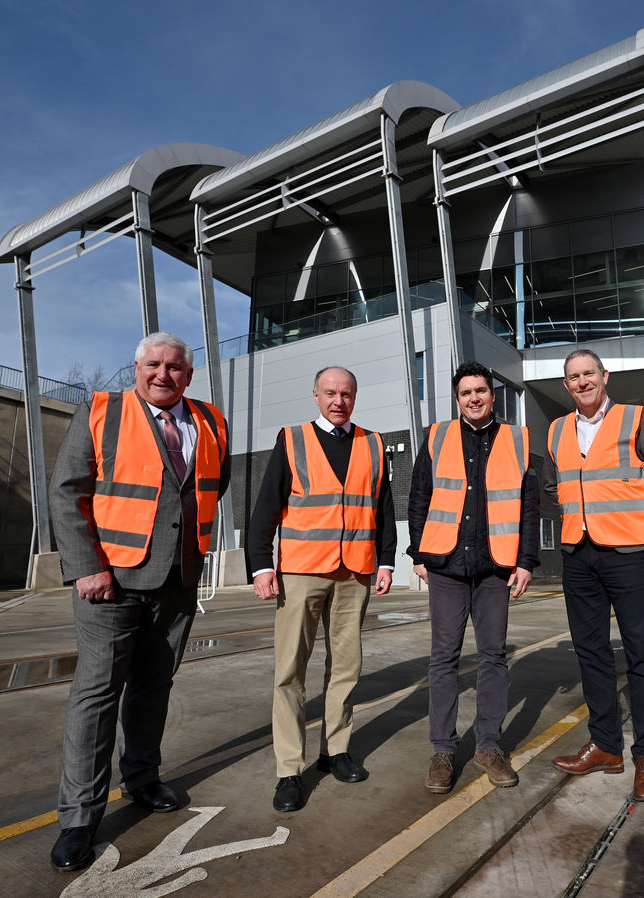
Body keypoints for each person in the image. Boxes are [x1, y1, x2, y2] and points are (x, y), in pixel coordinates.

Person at [47, 331, 231, 873]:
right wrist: (87, 567)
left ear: (188, 376)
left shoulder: (211, 421)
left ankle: (143, 779)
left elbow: (205, 489)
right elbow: (67, 492)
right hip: (111, 582)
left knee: (155, 687)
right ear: (136, 368)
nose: (163, 374)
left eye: (175, 367)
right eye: (154, 364)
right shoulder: (102, 412)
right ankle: (79, 819)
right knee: (97, 695)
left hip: (178, 578)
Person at [248, 366, 395, 813]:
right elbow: (266, 506)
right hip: (301, 571)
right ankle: (290, 769)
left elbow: (383, 508)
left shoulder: (372, 443)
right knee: (290, 673)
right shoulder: (292, 439)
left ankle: (336, 752)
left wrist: (386, 560)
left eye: (346, 393)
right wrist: (260, 564)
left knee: (345, 668)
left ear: (355, 396)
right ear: (315, 396)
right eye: (330, 393)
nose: (338, 401)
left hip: (355, 572)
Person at [543, 349, 644, 802]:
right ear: (566, 386)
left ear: (604, 377)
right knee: (591, 652)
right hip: (578, 555)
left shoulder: (636, 418)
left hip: (628, 553)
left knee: (641, 653)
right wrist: (575, 519)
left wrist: (636, 521)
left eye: (588, 374)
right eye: (573, 377)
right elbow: (552, 484)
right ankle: (605, 746)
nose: (581, 382)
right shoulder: (558, 429)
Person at [407, 361, 540, 794]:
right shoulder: (437, 435)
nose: (474, 398)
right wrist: (419, 553)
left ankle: (488, 746)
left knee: (493, 656)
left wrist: (526, 561)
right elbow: (419, 497)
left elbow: (528, 505)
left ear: (492, 395)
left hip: (496, 567)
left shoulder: (516, 439)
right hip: (445, 564)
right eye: (466, 393)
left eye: (481, 390)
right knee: (443, 658)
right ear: (457, 398)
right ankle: (443, 751)